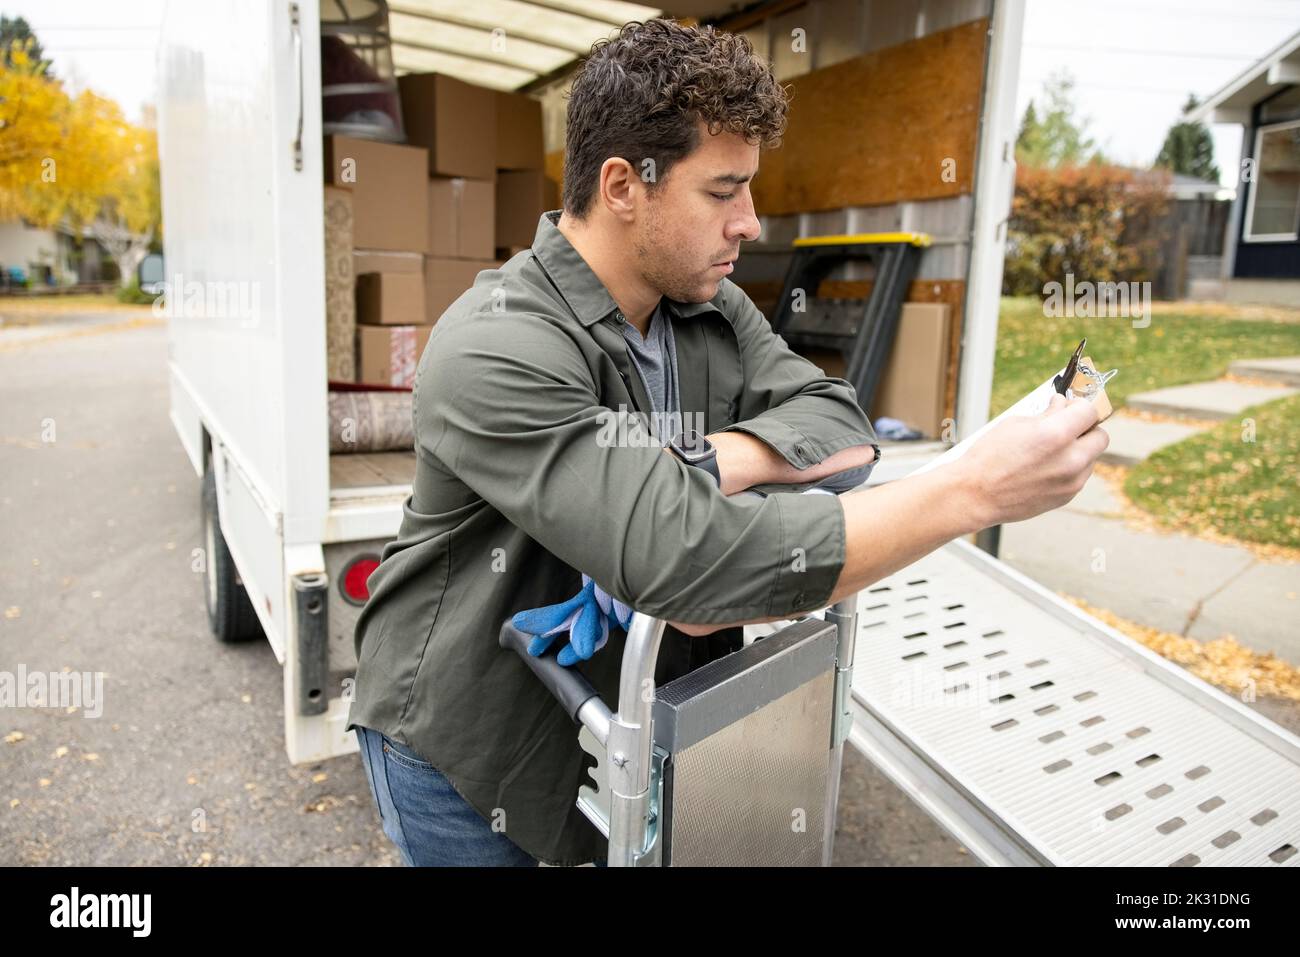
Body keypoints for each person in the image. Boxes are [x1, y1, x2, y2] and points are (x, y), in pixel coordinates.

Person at [346, 18, 1108, 868]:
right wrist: (972, 491)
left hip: (618, 727)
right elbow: (689, 563)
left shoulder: (708, 309)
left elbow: (843, 427)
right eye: (723, 190)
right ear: (623, 185)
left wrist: (706, 461)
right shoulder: (494, 343)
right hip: (469, 752)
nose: (750, 221)